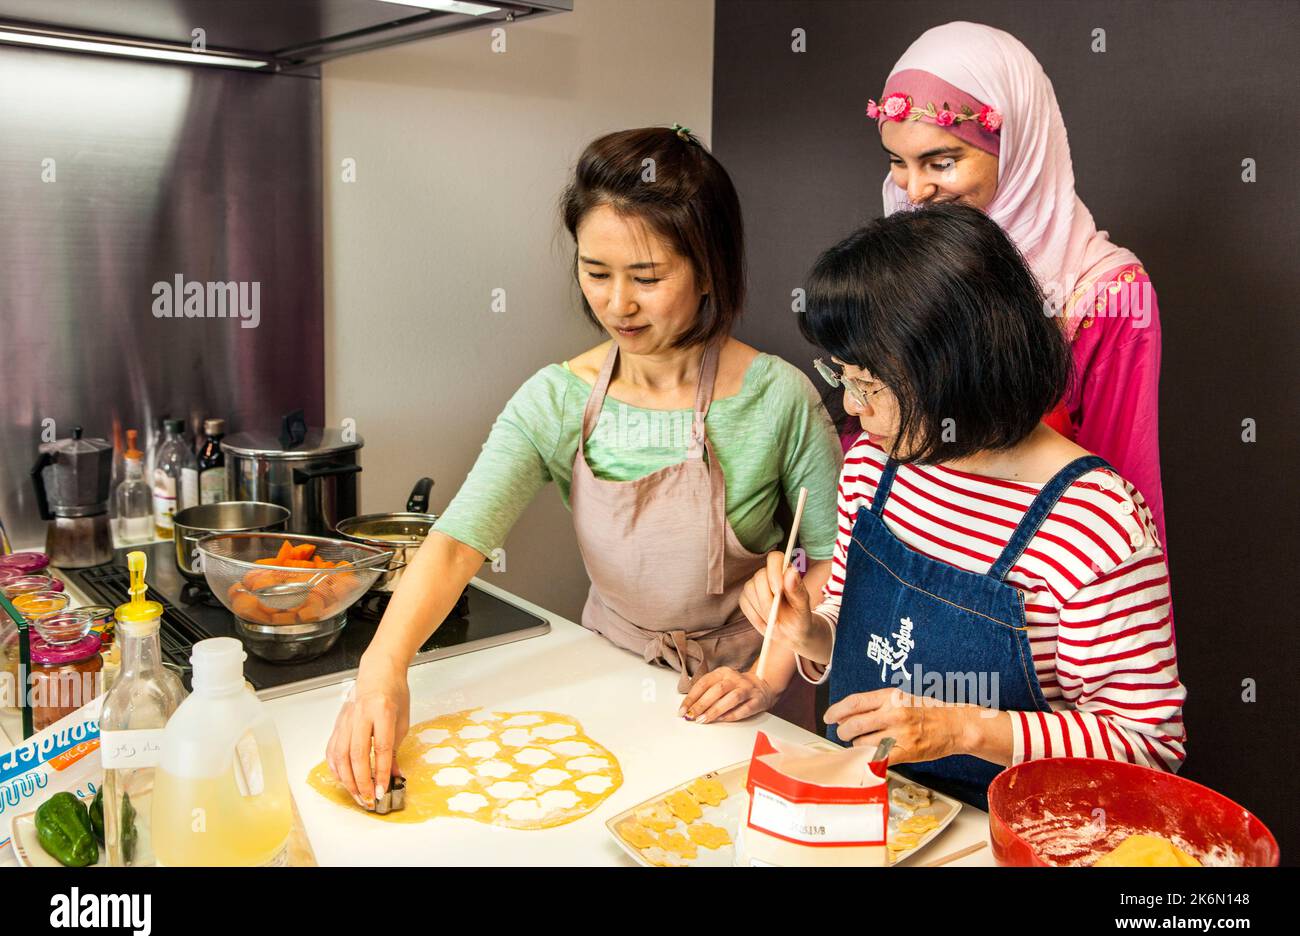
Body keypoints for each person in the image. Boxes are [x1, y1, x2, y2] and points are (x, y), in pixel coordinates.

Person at [326, 126, 843, 808]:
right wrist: (381, 670)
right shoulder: (556, 398)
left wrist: (772, 678)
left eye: (647, 277)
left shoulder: (779, 398)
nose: (617, 303)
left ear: (711, 268)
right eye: (596, 272)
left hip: (746, 706)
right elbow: (453, 546)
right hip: (608, 686)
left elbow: (838, 573)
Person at [748, 203, 1184, 810]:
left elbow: (1148, 745)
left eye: (872, 385)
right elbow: (867, 644)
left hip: (1003, 831)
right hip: (864, 810)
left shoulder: (1093, 522)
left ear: (956, 369)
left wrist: (966, 730)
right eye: (843, 377)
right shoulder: (873, 467)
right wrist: (809, 632)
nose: (852, 409)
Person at [856, 21, 1168, 552]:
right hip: (906, 564)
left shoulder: (1107, 297)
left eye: (942, 162)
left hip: (1036, 586)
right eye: (897, 164)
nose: (913, 190)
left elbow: (1122, 491)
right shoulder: (906, 260)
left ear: (1017, 145)